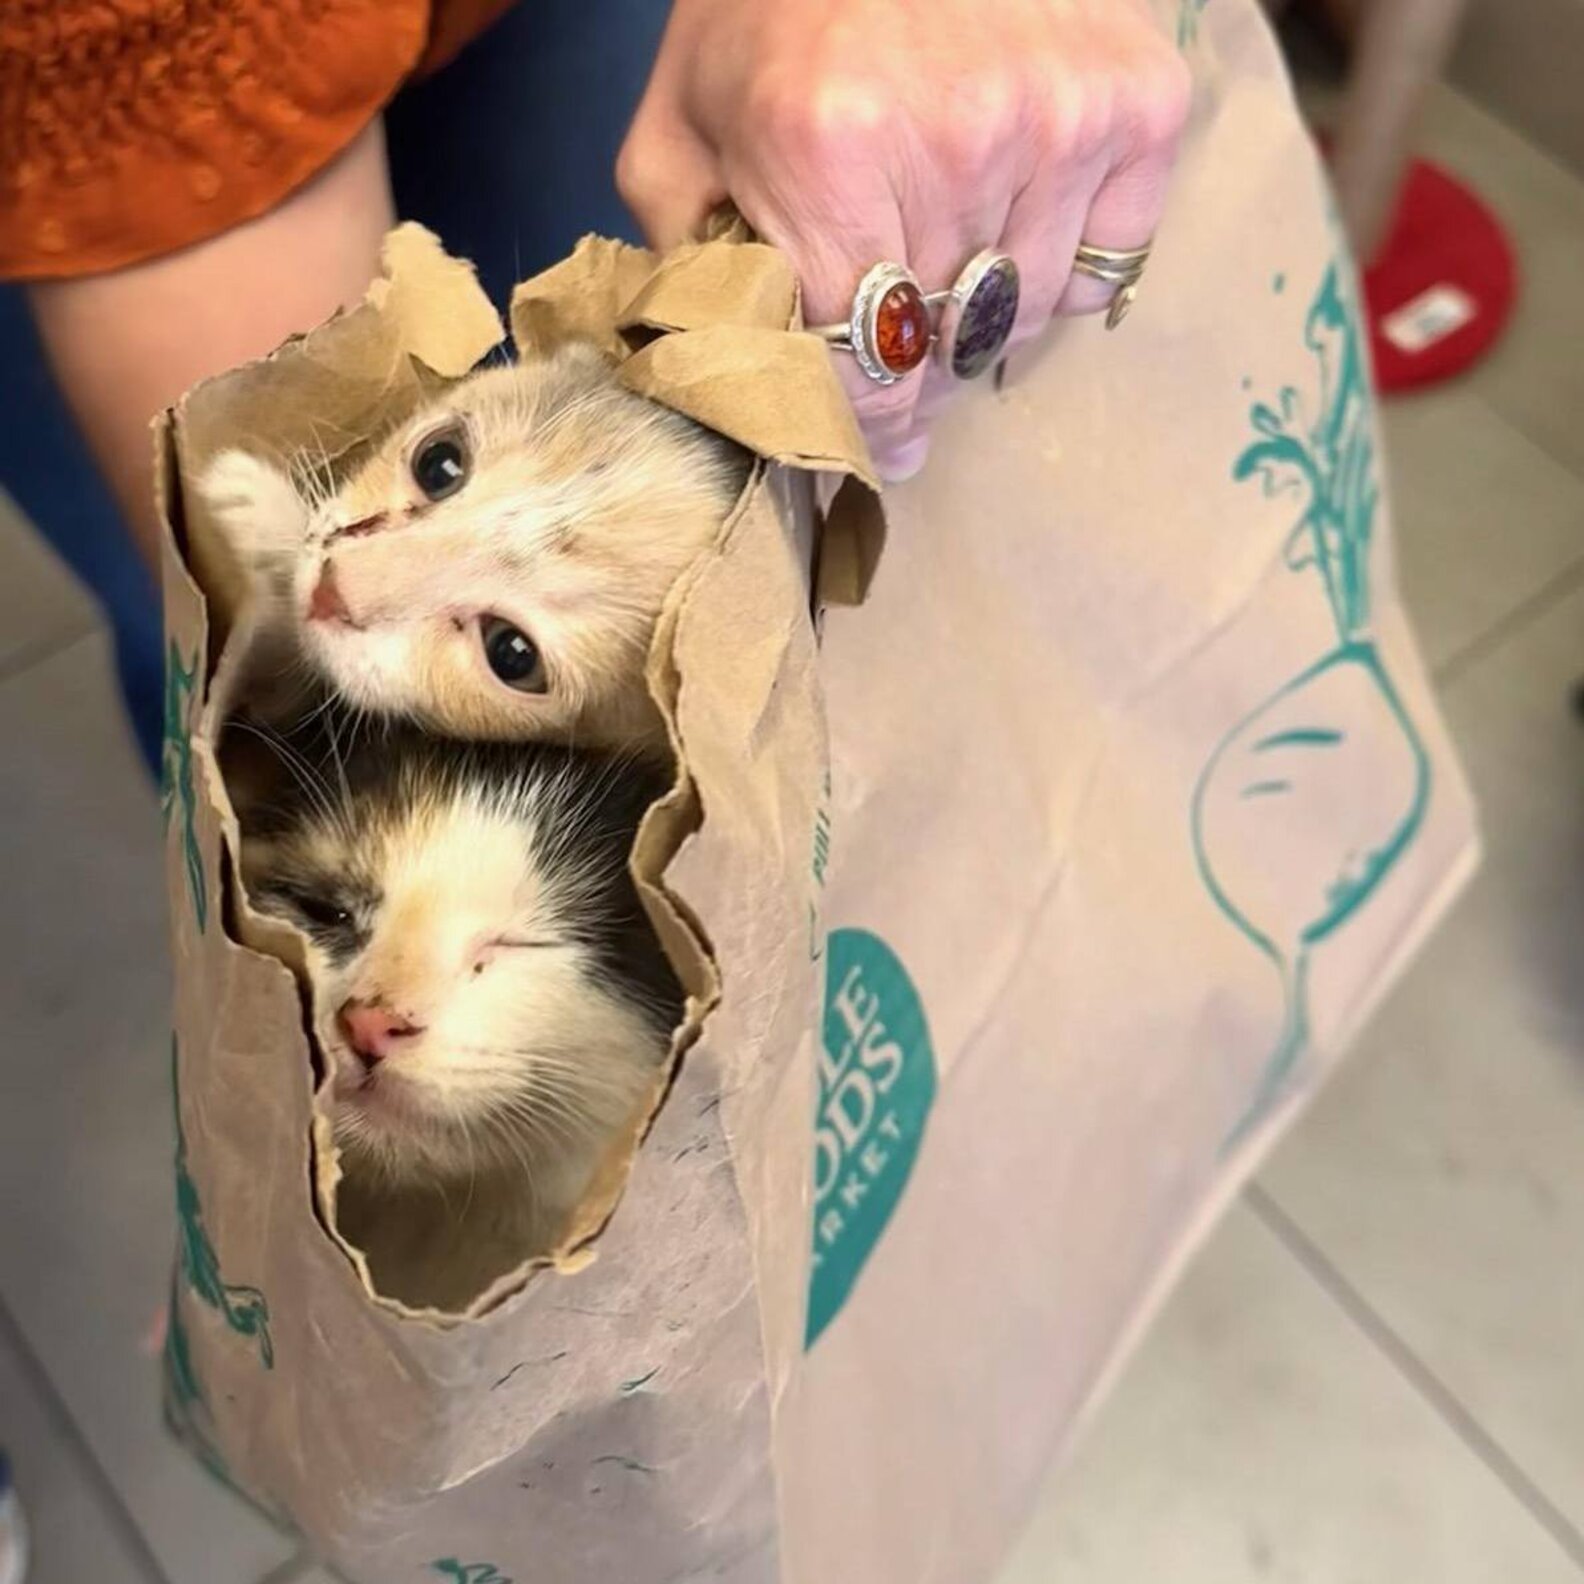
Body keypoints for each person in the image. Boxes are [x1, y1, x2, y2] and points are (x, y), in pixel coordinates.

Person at [1, 0, 1188, 772]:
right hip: (91, 53)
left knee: (622, 413)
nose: (351, 576)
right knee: (249, 673)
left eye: (511, 645)